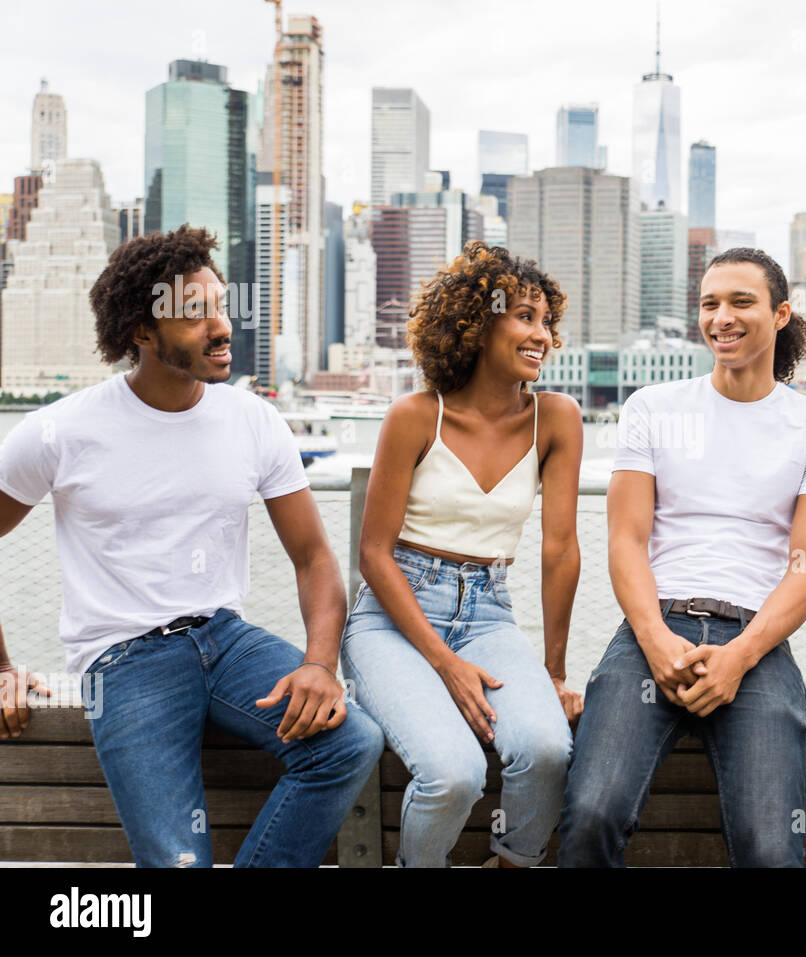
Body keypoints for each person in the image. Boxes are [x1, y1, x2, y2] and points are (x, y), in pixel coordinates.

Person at [0, 225, 385, 867]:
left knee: (350, 744)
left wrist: (319, 663)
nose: (221, 327)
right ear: (141, 333)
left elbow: (315, 558)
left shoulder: (253, 419)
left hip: (227, 640)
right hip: (123, 663)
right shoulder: (58, 432)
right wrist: (4, 667)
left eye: (220, 307)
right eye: (194, 314)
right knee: (179, 861)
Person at [557, 247, 806, 868]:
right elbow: (627, 541)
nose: (722, 316)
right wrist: (656, 639)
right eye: (710, 303)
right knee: (591, 814)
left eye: (741, 302)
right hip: (651, 628)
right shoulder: (652, 408)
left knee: (772, 847)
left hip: (756, 640)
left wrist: (739, 658)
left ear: (780, 315)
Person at [341, 241, 582, 868]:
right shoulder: (415, 416)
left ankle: (511, 862)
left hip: (488, 612)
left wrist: (555, 673)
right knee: (453, 774)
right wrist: (444, 662)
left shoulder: (557, 420)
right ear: (476, 325)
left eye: (547, 322)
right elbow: (372, 554)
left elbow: (559, 552)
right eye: (525, 318)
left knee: (547, 749)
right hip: (393, 618)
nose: (542, 336)